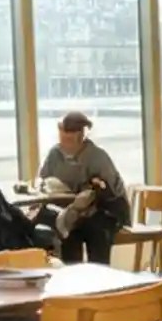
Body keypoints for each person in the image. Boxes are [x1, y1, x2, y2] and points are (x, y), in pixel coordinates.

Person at [37, 111, 129, 264]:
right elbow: (43, 179)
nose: (65, 143)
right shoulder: (55, 154)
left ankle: (100, 276)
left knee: (95, 229)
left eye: (70, 138)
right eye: (62, 137)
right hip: (70, 209)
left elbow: (110, 191)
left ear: (81, 136)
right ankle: (72, 274)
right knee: (66, 229)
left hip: (105, 209)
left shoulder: (97, 156)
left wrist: (93, 189)